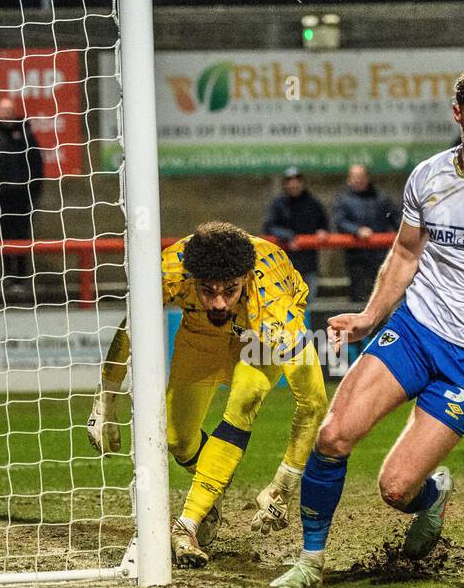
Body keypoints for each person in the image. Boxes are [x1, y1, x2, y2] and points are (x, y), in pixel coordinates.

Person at [270, 66, 464, 588]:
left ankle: (431, 498)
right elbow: (407, 252)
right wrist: (370, 316)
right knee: (334, 435)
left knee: (395, 489)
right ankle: (310, 559)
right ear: (457, 115)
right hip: (416, 329)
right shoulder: (429, 176)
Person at [87, 221, 329, 567]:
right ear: (192, 279)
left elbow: (314, 402)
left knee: (243, 403)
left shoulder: (275, 307)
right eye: (208, 291)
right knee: (176, 438)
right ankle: (211, 488)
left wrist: (284, 483)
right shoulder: (171, 270)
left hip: (257, 334)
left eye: (229, 291)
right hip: (200, 333)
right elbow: (131, 324)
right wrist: (105, 397)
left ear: (244, 278)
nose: (218, 302)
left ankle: (187, 523)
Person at [0, 96, 45, 299]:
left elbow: (37, 166)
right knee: (4, 237)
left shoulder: (26, 136)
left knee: (22, 236)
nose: (5, 114)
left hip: (22, 198)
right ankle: (8, 276)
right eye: (2, 110)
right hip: (0, 198)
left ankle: (22, 277)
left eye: (8, 110)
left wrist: (32, 192)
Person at [331, 163, 400, 302]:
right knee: (358, 295)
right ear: (349, 179)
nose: (358, 180)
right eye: (355, 177)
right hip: (356, 256)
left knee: (380, 294)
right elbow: (340, 222)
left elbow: (396, 219)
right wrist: (357, 230)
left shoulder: (381, 197)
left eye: (361, 176)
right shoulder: (343, 199)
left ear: (368, 177)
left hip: (380, 256)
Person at [261, 166, 329, 300]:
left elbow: (324, 224)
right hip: (284, 264)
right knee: (285, 303)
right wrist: (288, 237)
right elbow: (269, 226)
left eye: (297, 180)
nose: (294, 184)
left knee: (308, 304)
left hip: (308, 264)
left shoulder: (313, 203)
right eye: (290, 181)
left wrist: (323, 232)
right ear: (285, 184)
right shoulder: (278, 204)